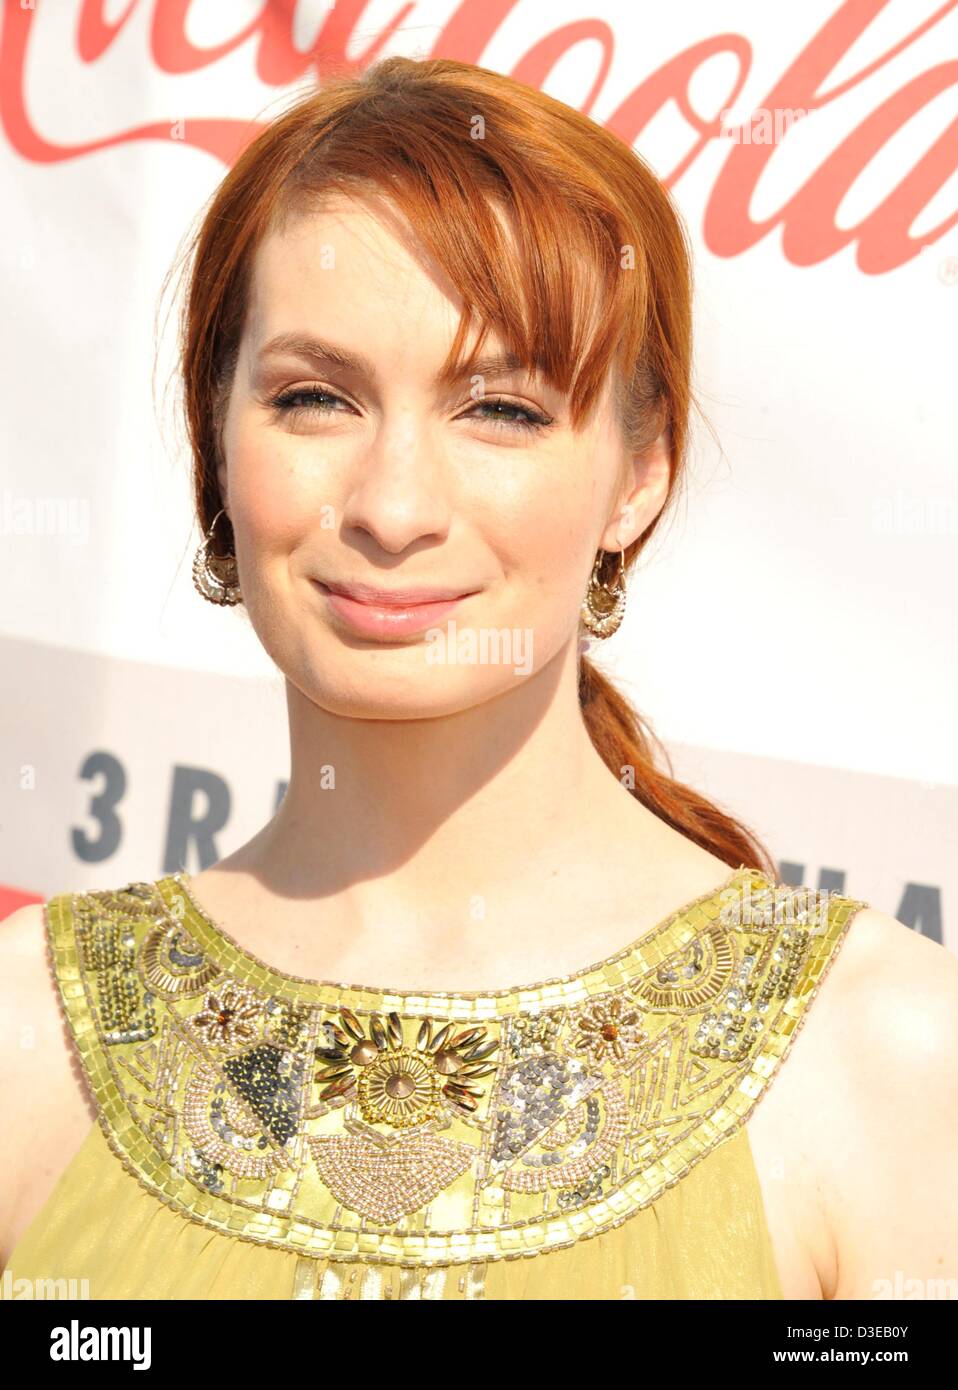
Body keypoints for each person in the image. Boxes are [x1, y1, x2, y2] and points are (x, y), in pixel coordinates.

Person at [2, 55, 955, 1302]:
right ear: (214, 440)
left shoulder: (887, 1055)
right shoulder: (31, 1034)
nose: (393, 507)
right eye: (313, 398)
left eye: (499, 408)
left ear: (640, 474)